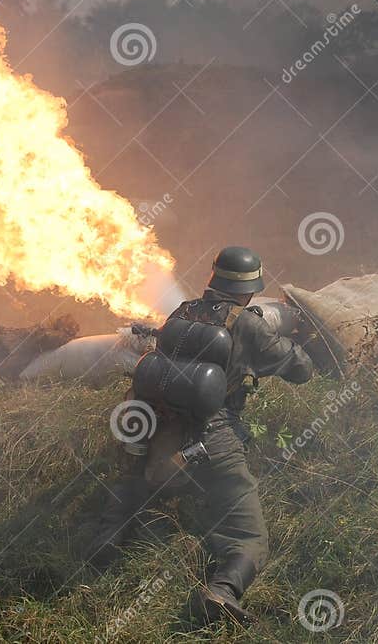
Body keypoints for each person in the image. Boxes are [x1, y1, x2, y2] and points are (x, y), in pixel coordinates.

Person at [87, 246, 314, 625]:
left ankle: (107, 539)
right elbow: (300, 369)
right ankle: (222, 591)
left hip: (158, 432)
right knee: (248, 534)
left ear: (213, 279)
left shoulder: (181, 312)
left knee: (133, 481)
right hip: (212, 441)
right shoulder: (249, 324)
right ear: (250, 288)